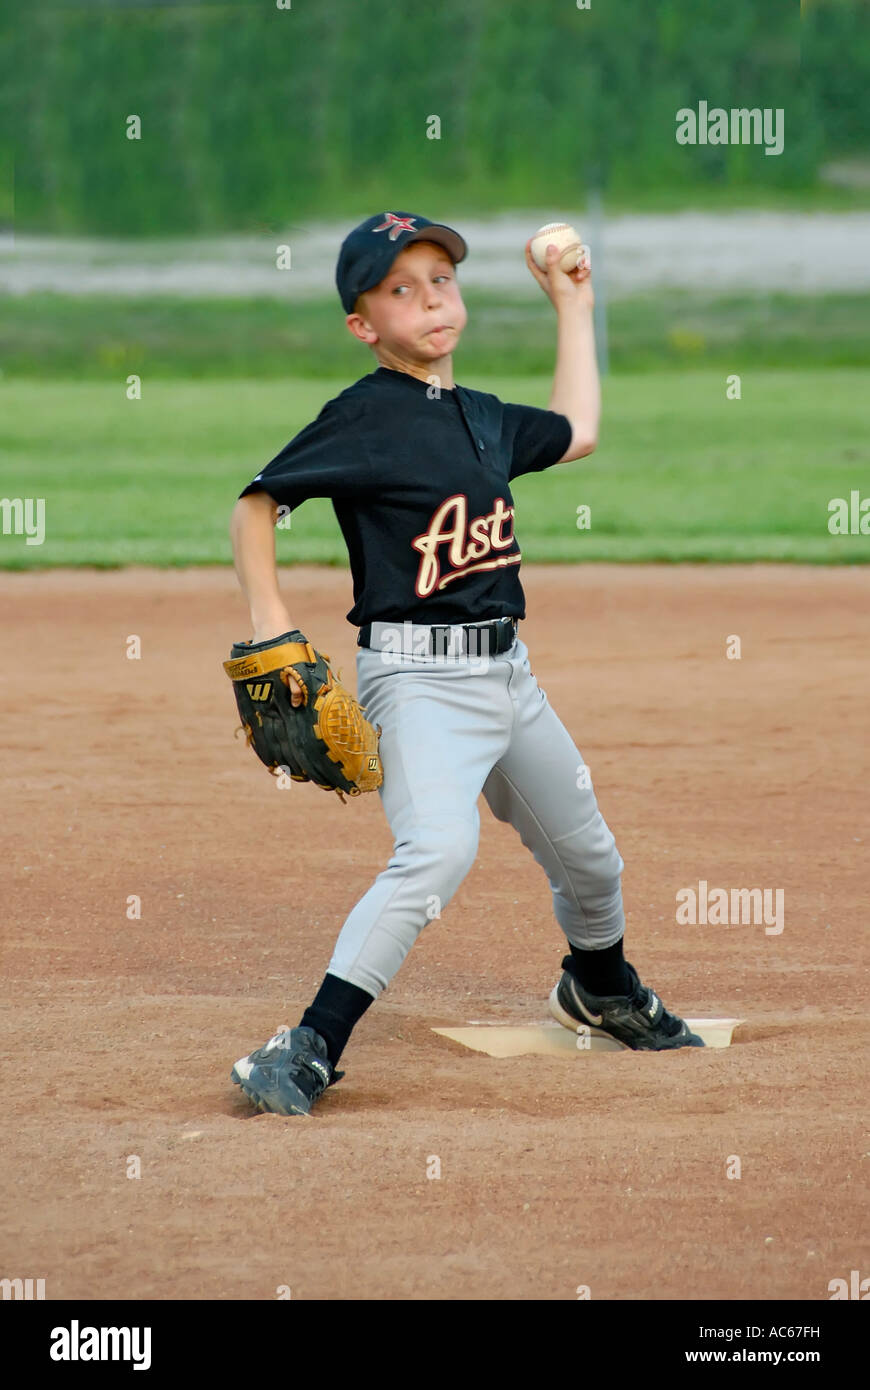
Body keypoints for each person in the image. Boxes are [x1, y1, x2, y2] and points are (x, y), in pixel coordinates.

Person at [228, 210, 703, 1117]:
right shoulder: (362, 417)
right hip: (418, 683)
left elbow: (577, 427)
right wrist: (269, 625)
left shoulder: (481, 418)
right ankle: (307, 1046)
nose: (430, 300)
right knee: (438, 852)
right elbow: (256, 504)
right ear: (364, 327)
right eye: (400, 290)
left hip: (510, 680)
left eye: (440, 280)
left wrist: (573, 298)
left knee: (593, 859)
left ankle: (600, 990)